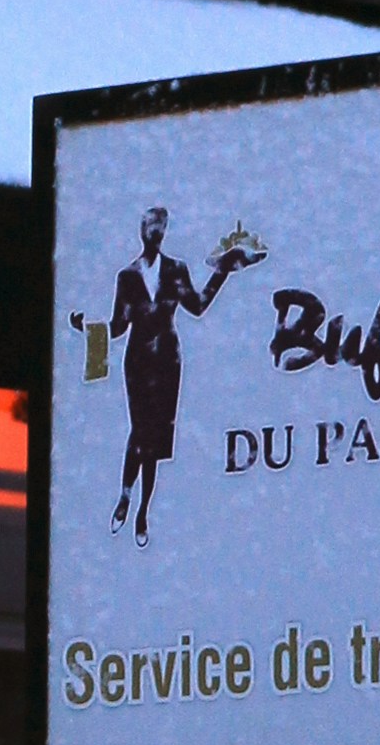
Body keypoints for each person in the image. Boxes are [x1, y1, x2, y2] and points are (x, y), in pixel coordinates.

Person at [106, 203, 263, 540]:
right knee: (139, 432)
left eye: (160, 227)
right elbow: (117, 326)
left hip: (167, 361)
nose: (154, 232)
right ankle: (125, 495)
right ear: (141, 230)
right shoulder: (127, 276)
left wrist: (223, 271)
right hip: (137, 360)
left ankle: (143, 511)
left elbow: (198, 304)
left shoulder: (176, 270)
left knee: (157, 441)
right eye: (150, 226)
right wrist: (86, 329)